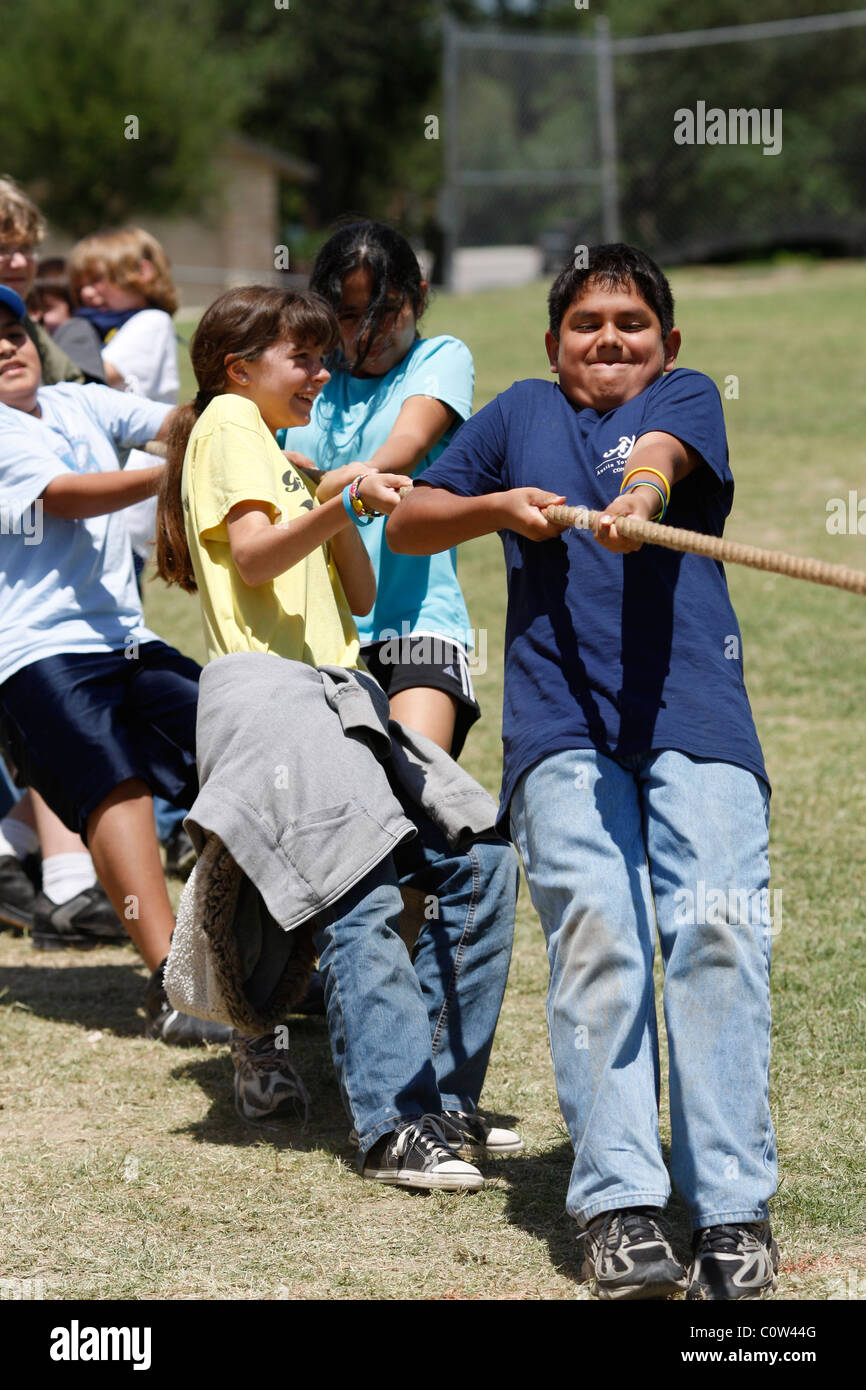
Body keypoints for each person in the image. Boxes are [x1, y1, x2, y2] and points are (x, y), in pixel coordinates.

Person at [388, 243, 779, 1299]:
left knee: (712, 929)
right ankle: (618, 1204)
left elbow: (661, 452)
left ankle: (732, 1211)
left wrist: (637, 495)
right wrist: (497, 507)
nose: (608, 337)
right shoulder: (517, 414)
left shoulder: (685, 397)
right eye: (585, 323)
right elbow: (410, 516)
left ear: (665, 342)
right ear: (552, 341)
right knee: (598, 938)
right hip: (561, 733)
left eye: (630, 322)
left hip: (695, 720)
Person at [155, 284, 520, 1190]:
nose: (322, 373)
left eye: (324, 357)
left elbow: (357, 595)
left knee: (479, 860)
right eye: (304, 358)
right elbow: (253, 558)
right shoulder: (231, 423)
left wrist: (338, 496)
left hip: (340, 692)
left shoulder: (281, 456)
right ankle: (396, 1126)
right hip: (275, 698)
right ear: (240, 368)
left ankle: (439, 1100)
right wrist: (331, 502)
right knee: (360, 890)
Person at [0, 284, 229, 1044]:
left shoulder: (78, 404)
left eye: (13, 330)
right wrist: (184, 475)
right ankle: (177, 986)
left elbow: (176, 425)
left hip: (124, 641)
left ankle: (263, 959)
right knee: (115, 787)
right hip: (35, 654)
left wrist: (248, 423)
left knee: (237, 742)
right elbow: (68, 497)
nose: (7, 345)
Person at [282, 221, 480, 756]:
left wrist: (341, 481)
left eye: (387, 310)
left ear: (418, 298)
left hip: (417, 626)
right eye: (348, 315)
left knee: (421, 790)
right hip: (313, 635)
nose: (369, 332)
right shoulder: (305, 383)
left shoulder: (439, 357)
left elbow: (408, 445)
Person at [68, 227, 190, 870]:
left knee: (126, 661)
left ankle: (169, 815)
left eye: (100, 278)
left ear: (142, 275)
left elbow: (102, 377)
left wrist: (55, 336)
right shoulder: (107, 322)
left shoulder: (144, 323)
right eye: (81, 280)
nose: (88, 291)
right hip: (107, 517)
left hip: (128, 518)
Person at [0, 175, 99, 385]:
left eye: (26, 248)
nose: (19, 262)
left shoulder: (28, 328)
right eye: (2, 249)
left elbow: (75, 390)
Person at [27, 257, 105, 382]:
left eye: (47, 308)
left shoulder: (76, 328)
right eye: (31, 308)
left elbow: (81, 387)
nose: (35, 318)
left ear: (74, 305)